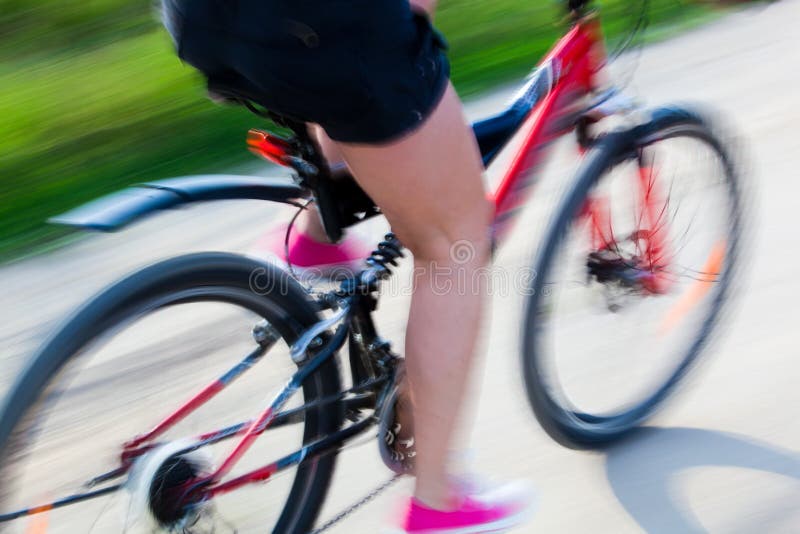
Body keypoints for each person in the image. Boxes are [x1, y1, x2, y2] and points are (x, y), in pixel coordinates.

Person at [161, 0, 535, 531]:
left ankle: (312, 241)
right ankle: (438, 501)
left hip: (202, 20)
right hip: (320, 24)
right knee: (457, 246)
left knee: (340, 78)